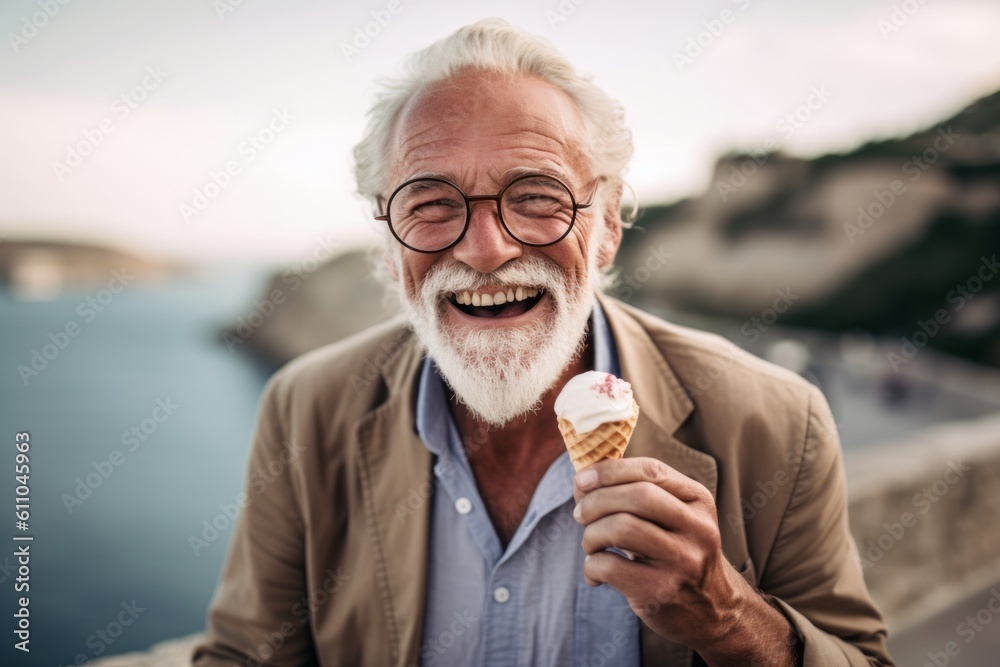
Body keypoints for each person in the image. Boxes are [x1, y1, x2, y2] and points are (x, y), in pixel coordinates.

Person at [193, 19, 892, 667]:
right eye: (431, 203)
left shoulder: (777, 421)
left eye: (535, 196)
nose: (486, 249)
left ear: (608, 222)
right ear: (387, 234)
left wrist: (729, 618)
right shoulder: (304, 407)